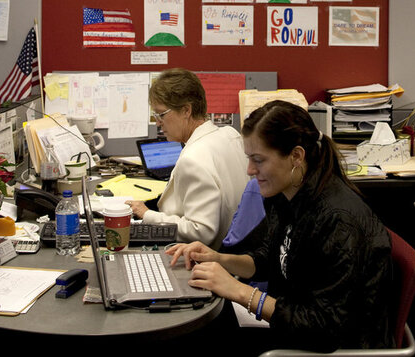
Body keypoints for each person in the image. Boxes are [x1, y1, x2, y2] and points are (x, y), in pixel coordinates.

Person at [167, 100, 393, 353]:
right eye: (249, 159)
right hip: (293, 323)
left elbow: (324, 328)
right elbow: (270, 259)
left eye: (259, 160)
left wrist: (240, 292)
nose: (250, 170)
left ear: (296, 156)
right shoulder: (287, 194)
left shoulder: (337, 219)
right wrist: (218, 258)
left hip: (331, 345)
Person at [125, 68, 249, 249]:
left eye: (161, 114)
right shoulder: (230, 134)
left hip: (207, 259)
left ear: (186, 110)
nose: (158, 122)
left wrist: (147, 214)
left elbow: (201, 231)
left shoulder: (193, 159)